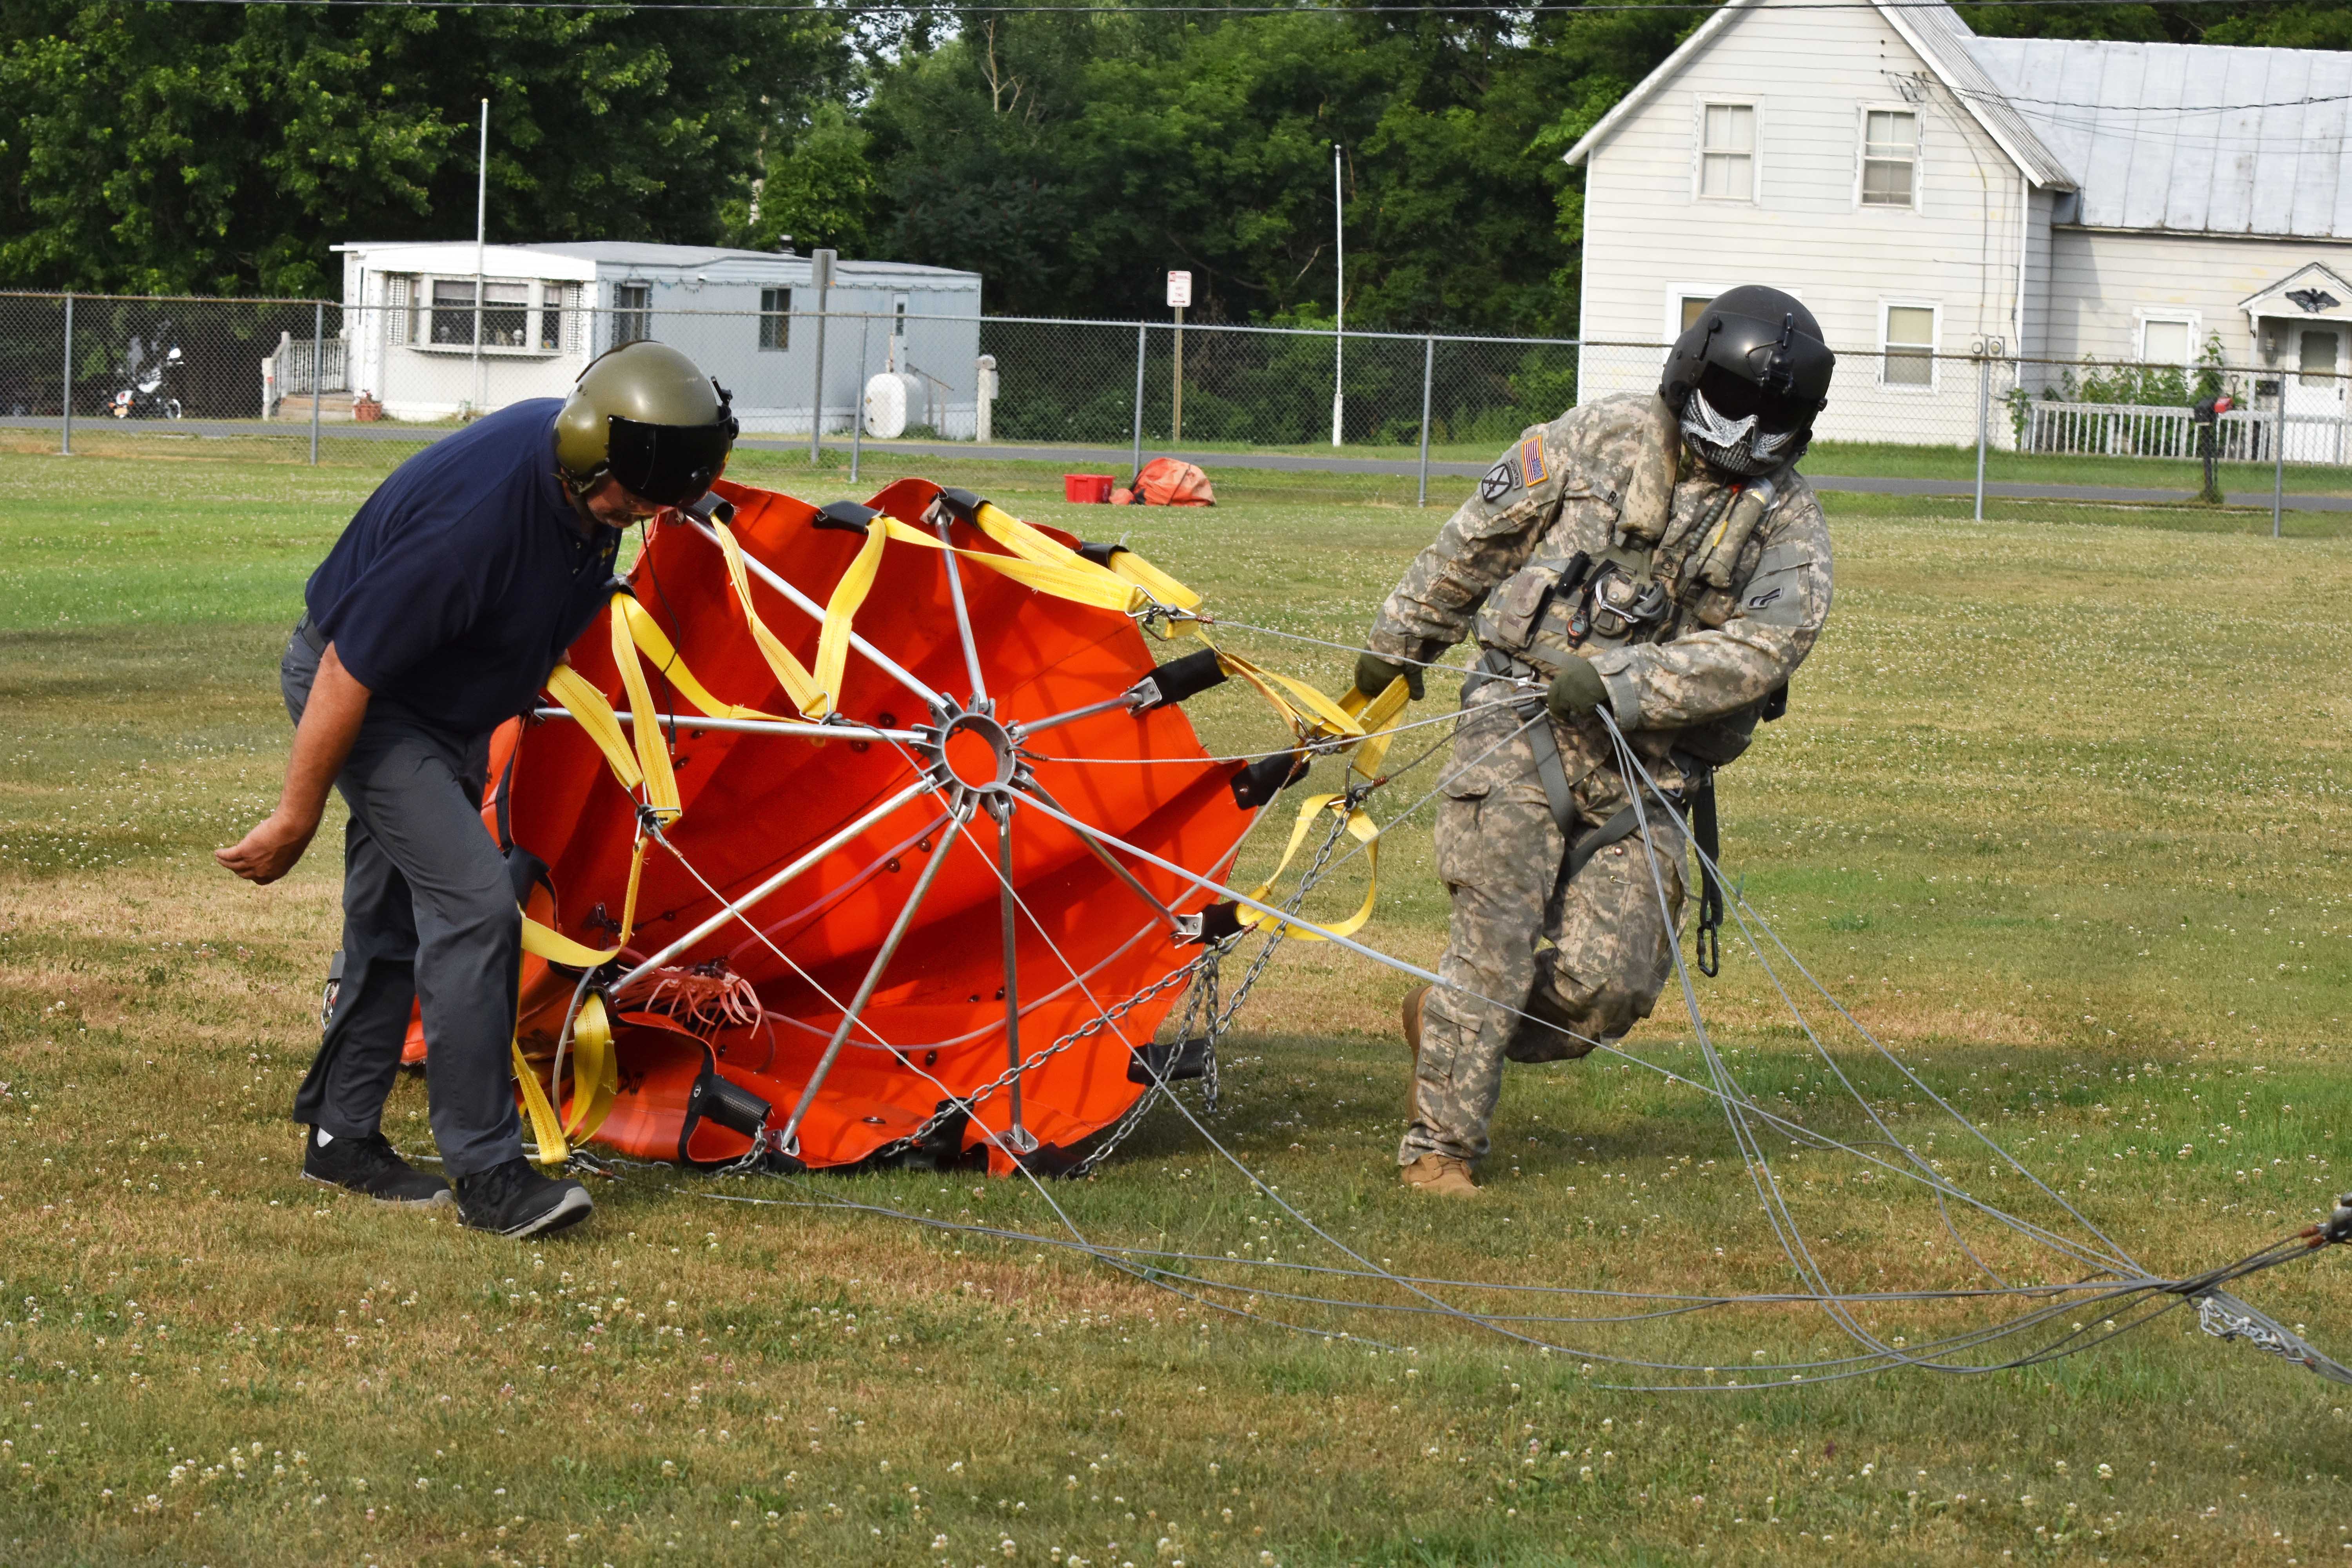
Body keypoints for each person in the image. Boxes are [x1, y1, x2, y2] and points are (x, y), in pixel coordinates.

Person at [217, 341, 739, 1237]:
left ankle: (342, 1136)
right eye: (637, 500)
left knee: (390, 922)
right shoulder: (474, 527)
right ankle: (490, 1175)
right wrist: (294, 816)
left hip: (444, 712)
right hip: (376, 707)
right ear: (588, 463)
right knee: (472, 907)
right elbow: (345, 669)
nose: (646, 515)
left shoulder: (602, 461)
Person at [1351, 286, 1837, 1197]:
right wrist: (1399, 641)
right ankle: (1441, 1149)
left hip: (1649, 767)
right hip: (1518, 718)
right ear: (1691, 377)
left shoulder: (1789, 526)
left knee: (1607, 989)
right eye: (1731, 408)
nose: (1744, 434)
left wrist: (1623, 682)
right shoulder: (1591, 438)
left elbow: (1765, 649)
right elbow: (1477, 538)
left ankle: (1448, 1020)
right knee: (1493, 939)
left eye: (1769, 421)